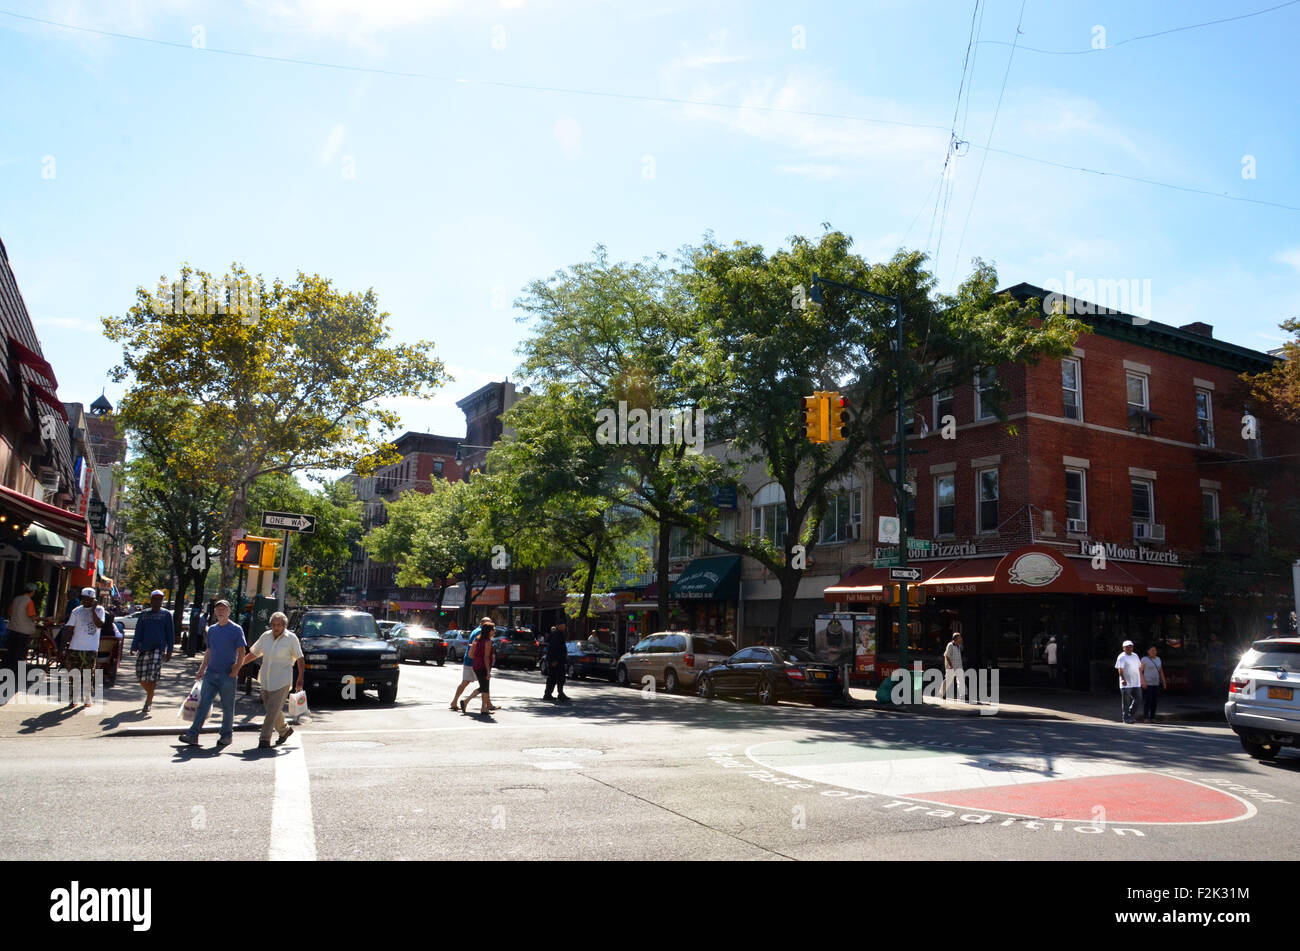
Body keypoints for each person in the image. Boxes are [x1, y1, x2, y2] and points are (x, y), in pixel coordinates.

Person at [178, 600, 246, 749]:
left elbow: (242, 651)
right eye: (218, 609)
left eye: (224, 609)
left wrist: (236, 669)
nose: (221, 611)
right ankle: (193, 735)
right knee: (203, 705)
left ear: (229, 611)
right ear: (215, 612)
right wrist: (202, 669)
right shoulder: (212, 630)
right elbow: (208, 651)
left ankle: (226, 736)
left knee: (227, 707)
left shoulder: (236, 629)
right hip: (211, 673)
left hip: (227, 674)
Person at [240, 611, 304, 749]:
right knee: (272, 710)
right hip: (266, 679)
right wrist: (239, 665)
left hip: (282, 680)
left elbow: (300, 658)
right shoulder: (266, 636)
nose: (276, 627)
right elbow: (254, 653)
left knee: (272, 711)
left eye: (279, 625)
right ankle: (285, 730)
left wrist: (300, 678)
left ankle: (264, 739)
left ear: (284, 625)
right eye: (273, 625)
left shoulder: (291, 638)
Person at [129, 589, 173, 714]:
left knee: (152, 675)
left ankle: (148, 701)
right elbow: (138, 631)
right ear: (151, 600)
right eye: (156, 599)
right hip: (144, 648)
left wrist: (170, 650)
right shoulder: (144, 614)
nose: (158, 601)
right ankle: (151, 693)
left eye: (160, 599)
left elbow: (170, 633)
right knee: (140, 676)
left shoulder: (166, 614)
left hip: (158, 649)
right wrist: (133, 646)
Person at [63, 587, 105, 707]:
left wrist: (93, 611)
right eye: (85, 599)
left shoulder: (100, 610)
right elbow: (69, 628)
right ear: (81, 599)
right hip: (75, 647)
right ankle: (73, 699)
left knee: (88, 674)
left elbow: (99, 624)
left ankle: (87, 698)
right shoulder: (76, 611)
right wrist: (62, 647)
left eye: (90, 599)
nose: (87, 601)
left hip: (90, 648)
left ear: (94, 600)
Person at [451, 618, 495, 711]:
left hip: (471, 661)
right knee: (484, 685)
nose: (494, 630)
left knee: (467, 683)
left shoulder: (476, 631)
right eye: (490, 624)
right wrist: (488, 669)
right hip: (477, 663)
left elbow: (473, 648)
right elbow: (485, 656)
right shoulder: (481, 634)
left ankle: (455, 702)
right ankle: (484, 706)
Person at [6, 582, 38, 679]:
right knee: (21, 654)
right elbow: (32, 616)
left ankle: (7, 672)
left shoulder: (16, 599)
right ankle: (17, 674)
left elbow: (10, 612)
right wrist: (43, 619)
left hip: (13, 629)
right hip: (23, 631)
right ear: (32, 592)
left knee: (11, 652)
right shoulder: (29, 601)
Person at [1115, 640, 1142, 724]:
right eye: (1127, 647)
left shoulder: (1135, 655)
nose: (1129, 648)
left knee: (1138, 698)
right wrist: (1123, 679)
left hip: (1136, 682)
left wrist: (1141, 679)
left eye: (1131, 646)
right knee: (1126, 702)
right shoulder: (1121, 657)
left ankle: (1130, 714)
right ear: (1123, 648)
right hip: (1126, 684)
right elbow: (1120, 669)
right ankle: (1126, 718)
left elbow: (1139, 667)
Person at [543, 620, 570, 703]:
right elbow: (554, 648)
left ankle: (558, 693)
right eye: (563, 625)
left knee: (558, 677)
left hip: (559, 660)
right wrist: (554, 660)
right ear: (558, 626)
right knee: (554, 677)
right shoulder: (557, 634)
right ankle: (549, 694)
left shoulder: (559, 634)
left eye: (564, 625)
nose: (564, 627)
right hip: (556, 660)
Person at [1140, 645, 1167, 723]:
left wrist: (1164, 682)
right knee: (1148, 700)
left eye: (1155, 650)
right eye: (1152, 650)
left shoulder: (1158, 659)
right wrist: (1143, 682)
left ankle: (1152, 717)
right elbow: (1140, 671)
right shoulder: (1144, 659)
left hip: (1156, 683)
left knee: (1154, 702)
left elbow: (1161, 671)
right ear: (1148, 651)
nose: (1154, 652)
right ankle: (1146, 717)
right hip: (1148, 683)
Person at [942, 632, 966, 701]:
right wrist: (950, 665)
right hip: (951, 667)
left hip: (959, 666)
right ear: (956, 639)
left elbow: (962, 649)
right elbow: (947, 656)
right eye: (960, 638)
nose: (961, 639)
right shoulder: (950, 645)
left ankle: (962, 695)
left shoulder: (959, 646)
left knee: (961, 680)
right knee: (948, 680)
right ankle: (943, 693)